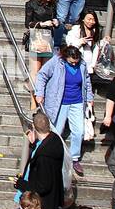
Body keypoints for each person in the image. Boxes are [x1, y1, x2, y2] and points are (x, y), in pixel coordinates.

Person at [35, 43, 93, 176]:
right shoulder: (56, 61)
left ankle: (74, 157)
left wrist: (89, 97)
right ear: (66, 57)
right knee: (57, 130)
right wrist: (40, 93)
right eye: (71, 62)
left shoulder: (82, 65)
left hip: (77, 101)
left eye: (76, 62)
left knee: (78, 131)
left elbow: (87, 81)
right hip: (59, 101)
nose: (74, 64)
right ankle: (52, 154)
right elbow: (42, 75)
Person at [14, 113, 64, 209]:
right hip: (52, 200)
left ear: (34, 127)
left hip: (42, 206)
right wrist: (33, 145)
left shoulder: (44, 157)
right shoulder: (54, 140)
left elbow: (43, 186)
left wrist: (22, 184)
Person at [24, 0, 59, 94]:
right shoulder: (32, 3)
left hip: (48, 37)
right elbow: (28, 23)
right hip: (36, 36)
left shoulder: (53, 4)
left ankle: (39, 92)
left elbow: (55, 17)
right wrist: (42, 24)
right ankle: (34, 95)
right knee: (36, 69)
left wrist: (56, 22)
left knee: (44, 69)